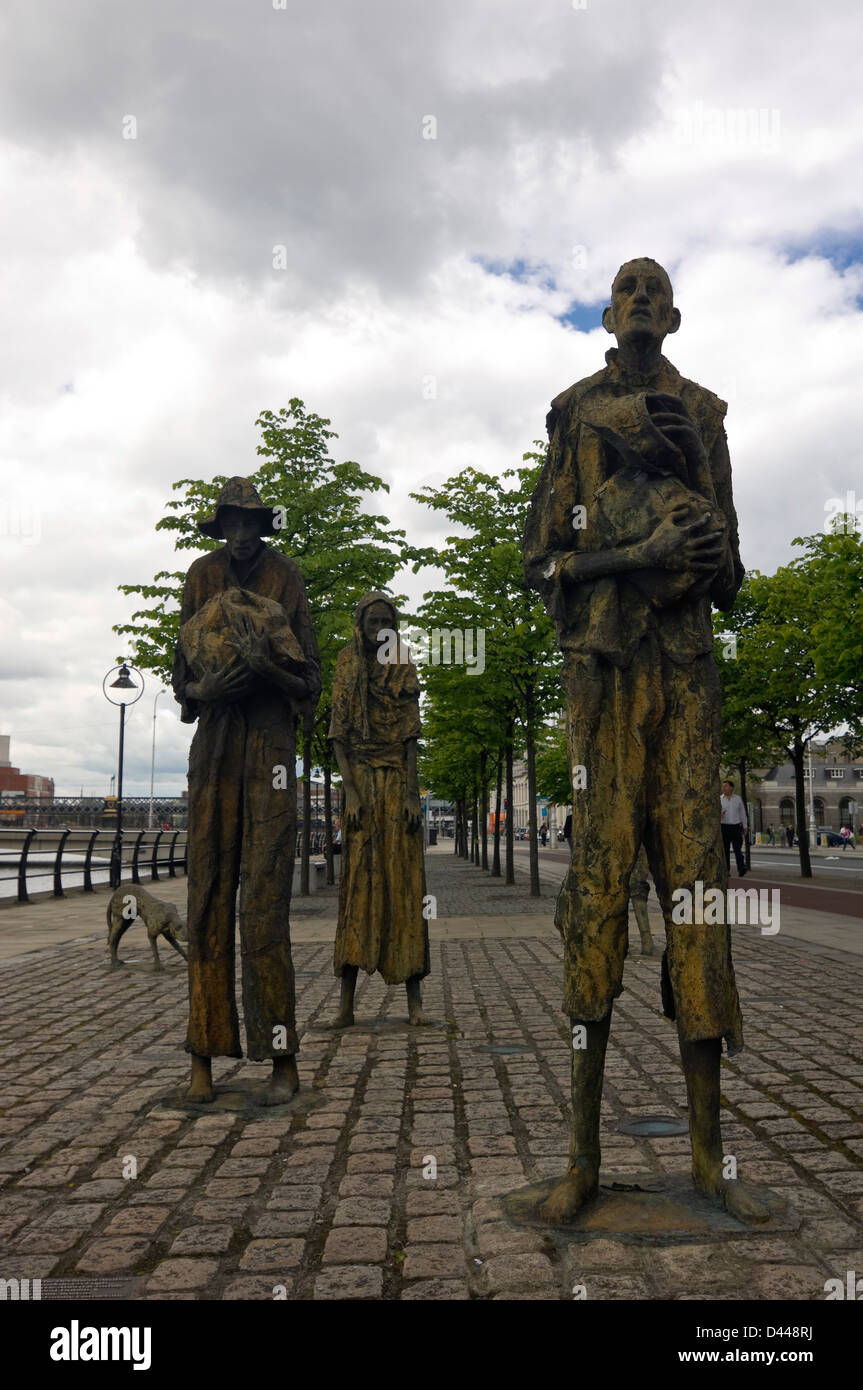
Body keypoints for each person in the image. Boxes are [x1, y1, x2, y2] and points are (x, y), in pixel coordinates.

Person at [524, 257, 767, 1224]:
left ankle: (709, 1161)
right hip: (604, 670)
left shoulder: (704, 411)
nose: (638, 300)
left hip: (687, 673)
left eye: (653, 289)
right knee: (595, 886)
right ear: (605, 311)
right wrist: (639, 553)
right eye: (624, 288)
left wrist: (698, 512)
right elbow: (543, 557)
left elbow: (734, 573)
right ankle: (579, 1157)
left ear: (674, 314)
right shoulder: (574, 408)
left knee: (699, 894)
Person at [172, 477, 321, 1104]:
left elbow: (309, 679)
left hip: (270, 749)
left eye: (249, 520)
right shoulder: (200, 574)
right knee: (207, 894)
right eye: (230, 520)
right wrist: (204, 693)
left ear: (261, 525)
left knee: (264, 902)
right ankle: (203, 1054)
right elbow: (182, 672)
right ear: (220, 524)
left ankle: (280, 1055)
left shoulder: (285, 576)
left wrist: (265, 668)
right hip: (214, 747)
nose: (239, 530)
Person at [329, 592, 429, 1027]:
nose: (379, 628)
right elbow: (338, 735)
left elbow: (410, 737)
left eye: (387, 621)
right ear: (361, 621)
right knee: (357, 887)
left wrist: (411, 795)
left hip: (395, 783)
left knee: (405, 886)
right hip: (361, 791)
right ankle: (346, 1004)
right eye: (373, 620)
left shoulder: (402, 662)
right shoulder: (345, 662)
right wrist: (350, 792)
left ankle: (415, 1002)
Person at [720, 779, 748, 877]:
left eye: (726, 786)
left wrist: (745, 826)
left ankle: (741, 868)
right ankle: (726, 870)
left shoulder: (738, 799)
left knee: (738, 849)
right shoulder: (719, 799)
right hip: (724, 827)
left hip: (736, 827)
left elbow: (742, 813)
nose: (724, 788)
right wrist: (720, 815)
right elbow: (715, 815)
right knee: (725, 850)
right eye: (723, 786)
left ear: (731, 788)